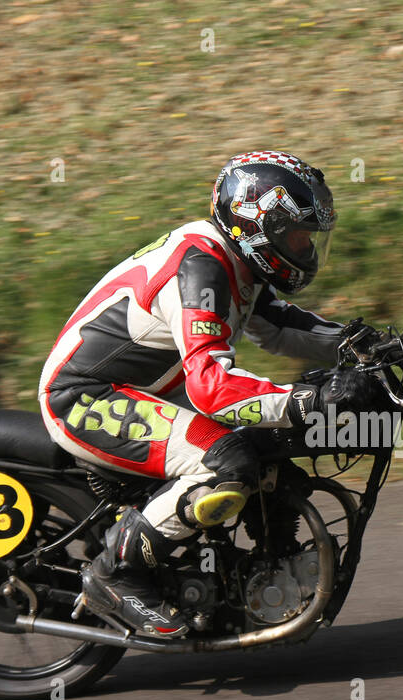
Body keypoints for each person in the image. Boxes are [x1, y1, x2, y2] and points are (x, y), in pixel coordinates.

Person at [38, 150, 370, 638]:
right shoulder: (203, 266)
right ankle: (115, 572)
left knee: (270, 446)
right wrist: (306, 402)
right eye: (297, 234)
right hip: (86, 398)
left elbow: (279, 326)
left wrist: (363, 343)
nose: (306, 248)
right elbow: (211, 387)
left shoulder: (233, 259)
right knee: (226, 463)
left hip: (144, 391)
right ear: (259, 226)